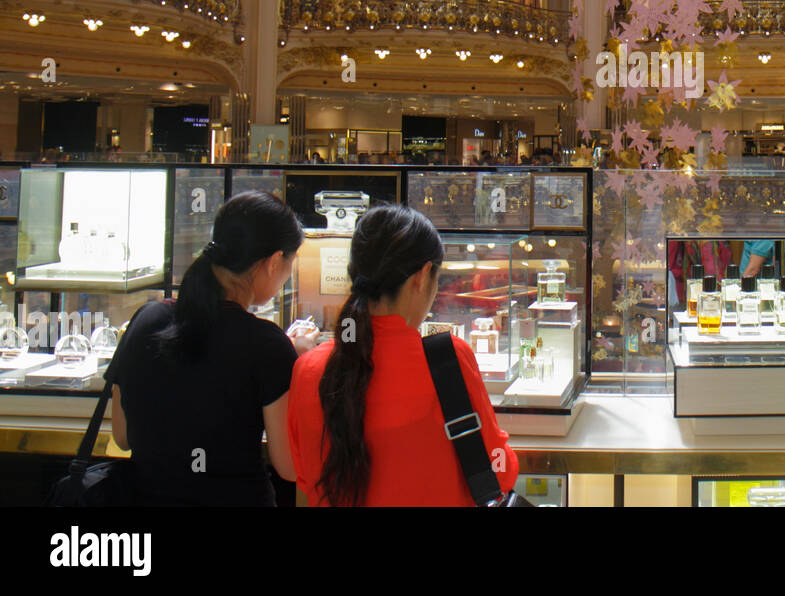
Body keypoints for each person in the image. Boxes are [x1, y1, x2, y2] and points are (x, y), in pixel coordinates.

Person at [288, 205, 518, 506]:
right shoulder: (448, 360)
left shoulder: (307, 369)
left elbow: (304, 475)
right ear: (422, 277)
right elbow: (499, 472)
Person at [110, 191, 311, 505]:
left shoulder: (146, 319)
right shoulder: (267, 344)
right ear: (273, 263)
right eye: (290, 263)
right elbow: (289, 466)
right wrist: (303, 364)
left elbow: (122, 437)